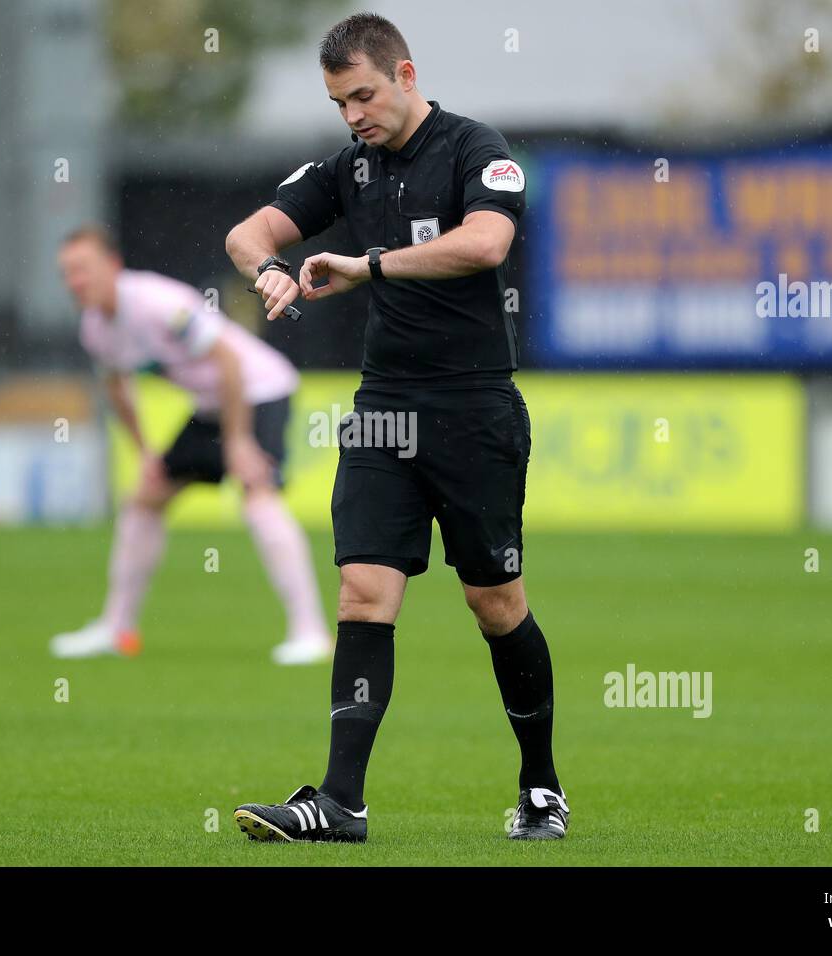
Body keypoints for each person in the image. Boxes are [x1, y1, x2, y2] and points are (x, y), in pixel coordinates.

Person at [223, 14, 567, 841]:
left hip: (475, 407)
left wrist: (366, 266)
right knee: (364, 592)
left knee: (495, 601)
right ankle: (341, 801)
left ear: (406, 75)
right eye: (340, 103)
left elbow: (486, 244)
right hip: (383, 411)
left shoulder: (476, 148)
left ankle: (540, 786)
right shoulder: (352, 168)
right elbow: (249, 232)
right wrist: (270, 270)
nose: (353, 116)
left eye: (364, 96)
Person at [50, 225, 332, 666]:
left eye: (83, 269)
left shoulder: (156, 303)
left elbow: (230, 362)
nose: (75, 281)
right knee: (145, 497)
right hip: (212, 404)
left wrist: (238, 443)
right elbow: (118, 389)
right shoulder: (95, 328)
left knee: (257, 493)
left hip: (259, 389)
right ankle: (116, 627)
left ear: (112, 265)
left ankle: (310, 632)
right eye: (67, 273)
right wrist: (145, 453)